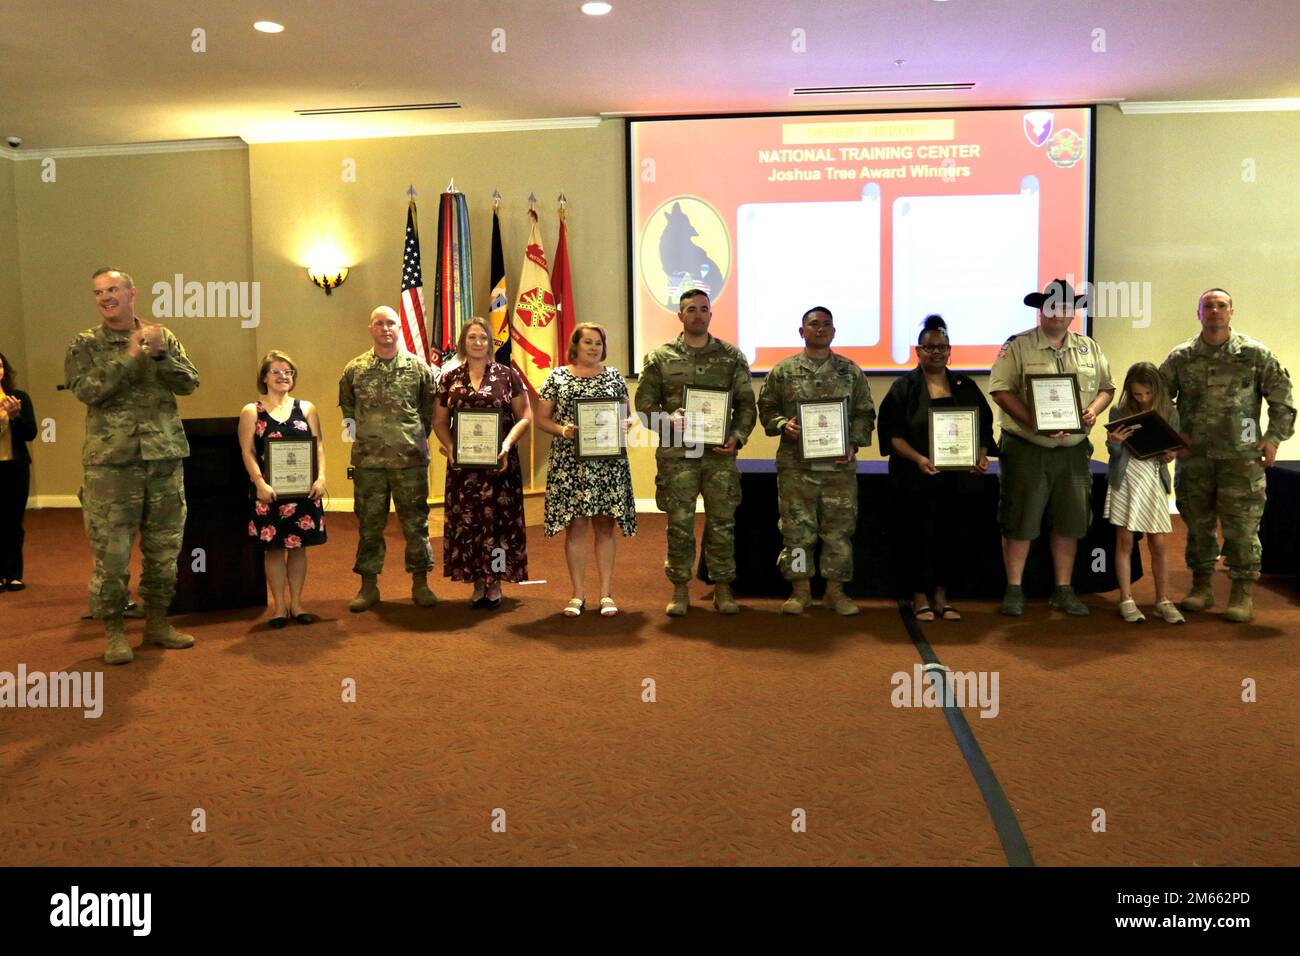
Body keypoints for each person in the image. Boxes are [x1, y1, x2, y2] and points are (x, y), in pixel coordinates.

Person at [64, 267, 200, 664]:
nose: (106, 297)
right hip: (112, 465)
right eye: (98, 292)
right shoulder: (85, 343)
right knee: (112, 554)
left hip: (163, 459)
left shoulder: (163, 336)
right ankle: (115, 632)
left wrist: (159, 355)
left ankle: (158, 623)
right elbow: (88, 390)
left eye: (113, 290)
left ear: (131, 293)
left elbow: (189, 382)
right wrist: (129, 357)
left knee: (164, 549)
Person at [1159, 289, 1295, 622]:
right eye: (1208, 306)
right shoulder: (1181, 356)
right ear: (1199, 313)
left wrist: (1273, 438)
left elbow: (1282, 397)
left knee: (1242, 527)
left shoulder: (1254, 353)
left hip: (1242, 458)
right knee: (1198, 526)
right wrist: (1174, 437)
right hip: (1196, 458)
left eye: (1221, 306)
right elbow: (1160, 399)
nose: (1215, 311)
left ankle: (1241, 593)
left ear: (1231, 312)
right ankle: (1201, 588)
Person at [988, 279, 1115, 617]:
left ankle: (1063, 588)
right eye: (1053, 305)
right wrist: (1033, 420)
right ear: (1041, 309)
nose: (1060, 312)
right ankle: (1014, 589)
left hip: (1073, 452)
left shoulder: (1089, 347)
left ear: (1073, 311)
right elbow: (1000, 390)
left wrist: (1094, 410)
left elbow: (1107, 388)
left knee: (1070, 521)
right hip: (1027, 449)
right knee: (1020, 520)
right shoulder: (1017, 346)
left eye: (1066, 306)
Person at [635, 289, 757, 616]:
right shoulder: (660, 357)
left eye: (704, 309)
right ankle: (679, 587)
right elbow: (644, 407)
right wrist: (667, 420)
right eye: (691, 309)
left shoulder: (731, 357)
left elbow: (747, 405)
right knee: (679, 523)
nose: (698, 315)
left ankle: (723, 587)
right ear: (680, 315)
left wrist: (737, 436)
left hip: (719, 456)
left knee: (722, 523)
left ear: (711, 315)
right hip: (677, 457)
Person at [757, 306, 875, 616]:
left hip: (839, 468)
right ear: (802, 331)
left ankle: (836, 591)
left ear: (834, 332)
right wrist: (785, 425)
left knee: (838, 532)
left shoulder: (851, 372)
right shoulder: (782, 372)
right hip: (796, 468)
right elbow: (766, 411)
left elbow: (865, 413)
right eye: (813, 324)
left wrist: (853, 442)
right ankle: (800, 590)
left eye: (826, 324)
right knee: (796, 531)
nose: (820, 329)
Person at [877, 315, 995, 621]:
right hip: (914, 478)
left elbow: (984, 427)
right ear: (918, 351)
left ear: (950, 350)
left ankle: (943, 596)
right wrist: (918, 459)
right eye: (930, 347)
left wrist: (981, 456)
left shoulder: (964, 385)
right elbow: (892, 434)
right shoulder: (904, 388)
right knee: (915, 537)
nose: (936, 352)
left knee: (952, 537)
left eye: (942, 347)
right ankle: (919, 597)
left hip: (958, 481)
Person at [339, 306, 440, 612]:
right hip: (369, 463)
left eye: (391, 323)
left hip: (409, 460)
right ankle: (368, 586)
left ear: (399, 328)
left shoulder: (418, 368)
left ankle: (420, 584)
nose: (385, 328)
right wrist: (361, 442)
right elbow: (347, 409)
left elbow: (428, 411)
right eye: (379, 323)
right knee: (369, 525)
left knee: (415, 524)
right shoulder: (354, 369)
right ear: (371, 328)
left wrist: (409, 439)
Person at [537, 323, 637, 617]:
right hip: (571, 463)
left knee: (605, 526)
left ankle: (606, 593)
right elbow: (542, 419)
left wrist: (625, 424)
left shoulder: (615, 376)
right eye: (588, 342)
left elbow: (630, 417)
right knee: (576, 526)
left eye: (598, 343)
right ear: (576, 346)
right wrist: (562, 430)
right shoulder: (557, 376)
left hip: (607, 462)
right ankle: (577, 594)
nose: (594, 348)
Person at [433, 316, 532, 608]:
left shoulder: (507, 375)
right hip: (464, 469)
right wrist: (450, 448)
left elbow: (524, 416)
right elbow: (439, 422)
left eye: (483, 338)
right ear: (463, 342)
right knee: (470, 524)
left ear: (491, 342)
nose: (477, 343)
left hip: (500, 465)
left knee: (499, 526)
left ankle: (496, 581)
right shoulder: (449, 378)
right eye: (472, 337)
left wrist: (507, 444)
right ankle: (477, 581)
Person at [239, 350, 328, 627]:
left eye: (288, 372)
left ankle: (297, 604)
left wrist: (321, 478)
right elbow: (247, 451)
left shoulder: (307, 408)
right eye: (276, 371)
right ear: (264, 377)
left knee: (299, 548)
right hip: (269, 494)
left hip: (304, 493)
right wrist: (260, 483)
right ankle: (279, 607)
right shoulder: (252, 411)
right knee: (274, 550)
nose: (282, 377)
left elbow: (320, 447)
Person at [1103, 363, 1184, 624]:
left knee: (1159, 543)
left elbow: (1170, 454)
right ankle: (1126, 598)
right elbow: (1114, 455)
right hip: (1126, 479)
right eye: (1137, 394)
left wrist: (1169, 454)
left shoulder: (1169, 412)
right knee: (1125, 541)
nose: (1142, 399)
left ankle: (1163, 600)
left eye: (1147, 394)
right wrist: (1114, 444)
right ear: (1129, 391)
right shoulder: (1119, 410)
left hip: (1153, 479)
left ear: (1156, 391)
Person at [0, 351, 37, 591]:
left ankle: (13, 574)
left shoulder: (18, 397)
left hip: (15, 468)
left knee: (13, 521)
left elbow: (30, 433)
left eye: (0, 366)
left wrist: (15, 418)